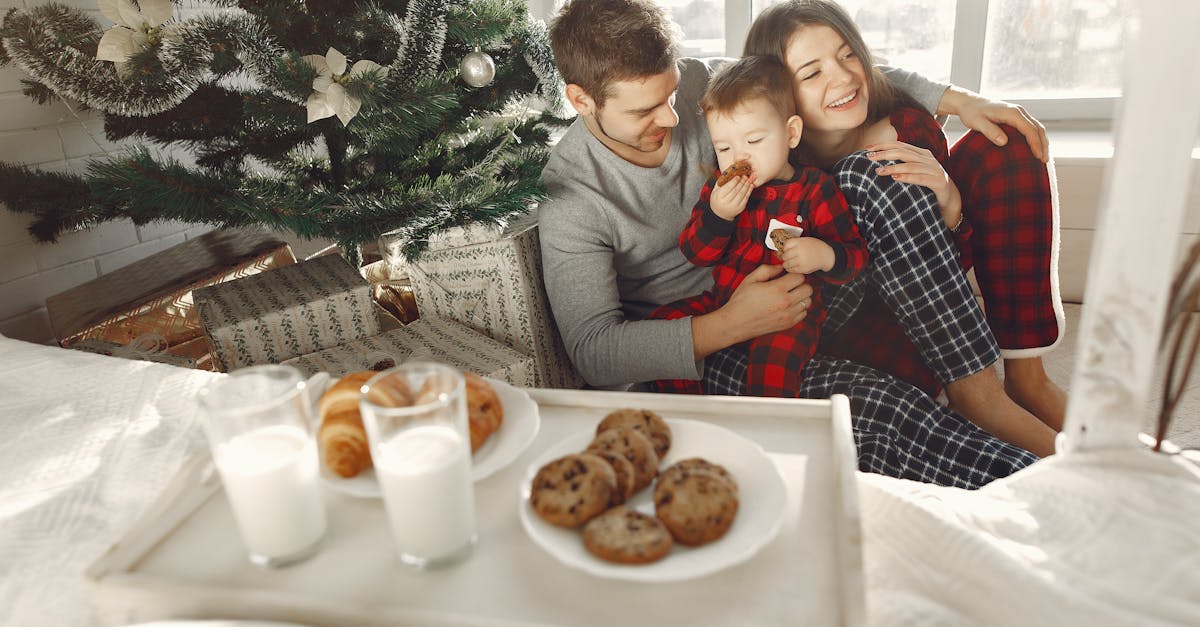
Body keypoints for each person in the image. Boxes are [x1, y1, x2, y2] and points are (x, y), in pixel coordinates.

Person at [540, 0, 1043, 487]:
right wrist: (730, 323)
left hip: (803, 275)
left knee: (877, 173)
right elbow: (594, 352)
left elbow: (825, 70)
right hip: (719, 341)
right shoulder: (571, 198)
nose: (672, 119)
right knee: (873, 412)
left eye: (671, 97)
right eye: (646, 110)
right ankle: (1046, 487)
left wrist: (957, 100)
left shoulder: (697, 83)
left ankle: (976, 387)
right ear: (581, 100)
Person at [745, 0, 1064, 453]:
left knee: (1004, 140)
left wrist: (951, 204)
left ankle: (1027, 377)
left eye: (848, 54)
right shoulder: (780, 171)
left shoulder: (908, 128)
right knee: (866, 176)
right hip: (849, 340)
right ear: (779, 94)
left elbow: (942, 271)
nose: (842, 77)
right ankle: (988, 405)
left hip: (936, 328)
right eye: (812, 72)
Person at [647, 55, 868, 398]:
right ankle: (689, 412)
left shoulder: (814, 190)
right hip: (723, 302)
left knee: (774, 367)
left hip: (789, 313)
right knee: (664, 329)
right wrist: (719, 214)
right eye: (724, 147)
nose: (738, 158)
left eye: (753, 141)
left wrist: (823, 254)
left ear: (791, 133)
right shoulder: (720, 188)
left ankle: (769, 435)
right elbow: (696, 253)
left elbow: (854, 259)